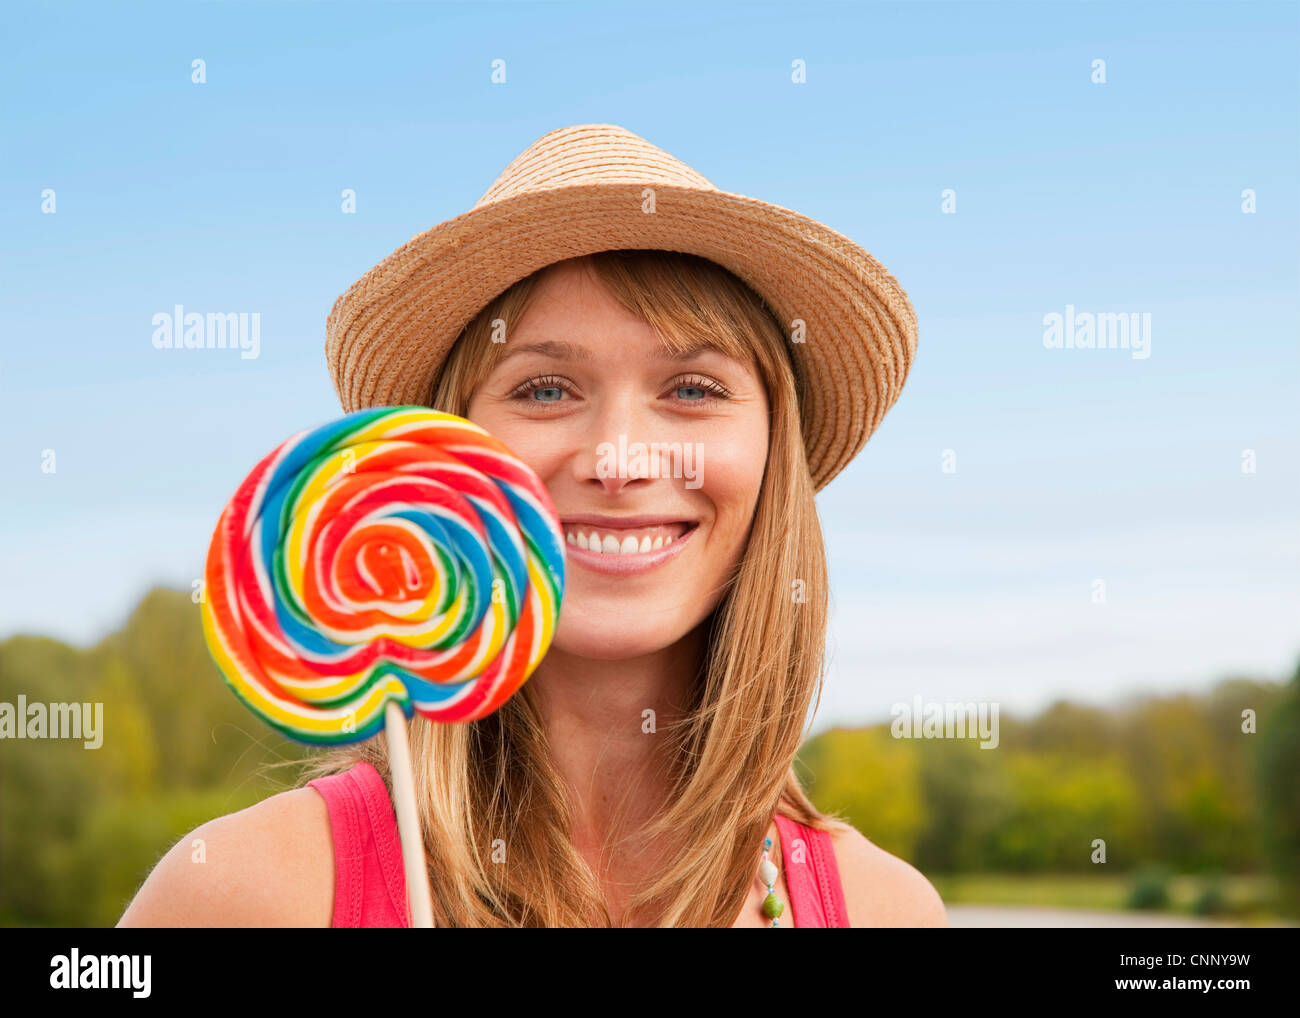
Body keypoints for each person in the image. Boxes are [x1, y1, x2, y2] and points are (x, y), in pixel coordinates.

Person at [119, 124, 946, 928]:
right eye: (545, 389)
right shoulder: (243, 896)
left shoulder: (888, 910)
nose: (617, 460)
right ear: (447, 455)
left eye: (693, 389)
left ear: (774, 454)